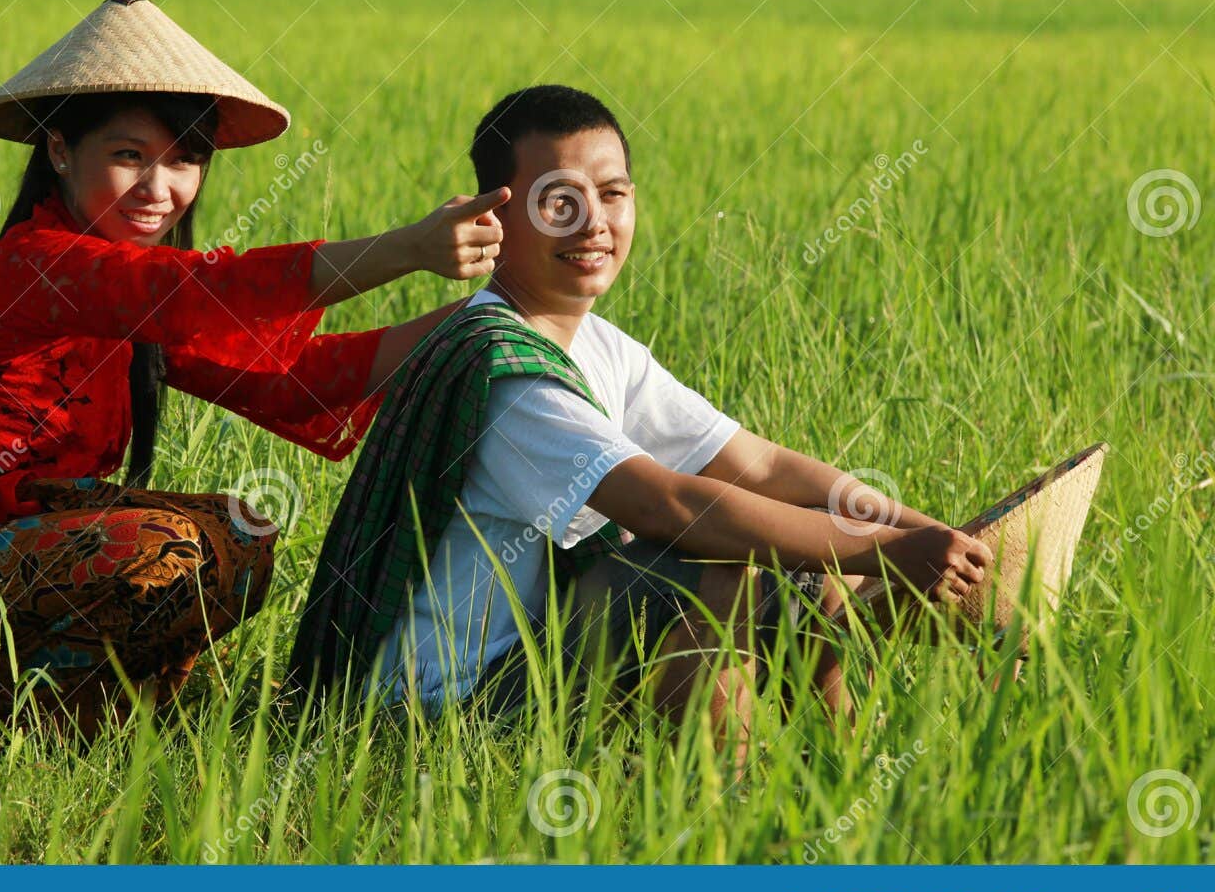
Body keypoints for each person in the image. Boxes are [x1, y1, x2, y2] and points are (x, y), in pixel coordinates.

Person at [0, 0, 510, 733]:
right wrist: (406, 249)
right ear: (58, 149)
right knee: (166, 549)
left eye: (185, 159)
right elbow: (199, 292)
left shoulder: (131, 294)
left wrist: (496, 313)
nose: (160, 188)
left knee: (241, 535)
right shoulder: (40, 266)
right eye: (127, 156)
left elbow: (296, 384)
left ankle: (49, 720)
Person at [287, 85, 992, 764]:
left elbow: (762, 466)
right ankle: (722, 808)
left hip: (525, 657)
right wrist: (885, 553)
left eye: (613, 193)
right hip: (433, 714)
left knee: (804, 554)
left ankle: (846, 778)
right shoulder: (508, 373)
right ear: (491, 219)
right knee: (739, 568)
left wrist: (930, 534)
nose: (592, 221)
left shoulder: (595, 343)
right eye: (558, 199)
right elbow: (670, 505)